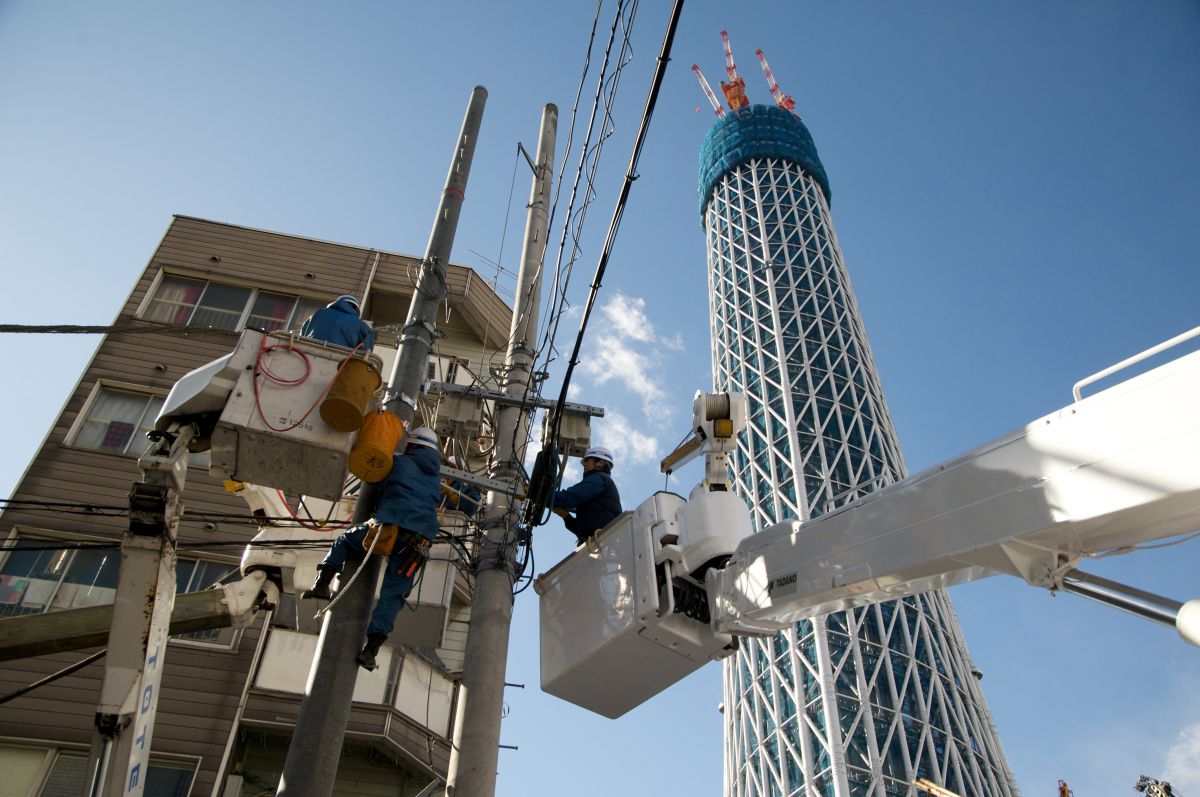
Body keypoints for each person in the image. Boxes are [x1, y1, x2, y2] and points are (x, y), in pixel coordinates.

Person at [300, 425, 442, 670]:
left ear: (413, 444)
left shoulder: (400, 462)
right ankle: (371, 650)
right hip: (418, 543)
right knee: (393, 595)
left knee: (345, 540)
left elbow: (375, 479)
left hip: (390, 526)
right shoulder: (436, 478)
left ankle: (322, 584)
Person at [551, 446, 622, 544]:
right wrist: (566, 517)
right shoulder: (597, 491)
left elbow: (569, 497)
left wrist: (541, 495)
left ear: (600, 462)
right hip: (599, 543)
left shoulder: (599, 479)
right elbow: (583, 529)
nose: (584, 464)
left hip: (604, 541)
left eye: (587, 460)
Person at [300, 294, 375, 351]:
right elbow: (366, 352)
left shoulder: (318, 313)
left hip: (308, 351)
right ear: (356, 310)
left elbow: (302, 336)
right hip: (338, 358)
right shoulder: (360, 324)